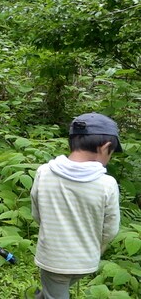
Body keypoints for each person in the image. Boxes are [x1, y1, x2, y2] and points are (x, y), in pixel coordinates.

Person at [29, 112, 121, 299]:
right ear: (106, 147)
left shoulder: (44, 172)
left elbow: (37, 214)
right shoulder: (107, 184)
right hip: (86, 260)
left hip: (53, 259)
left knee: (55, 289)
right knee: (57, 288)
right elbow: (110, 229)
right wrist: (96, 247)